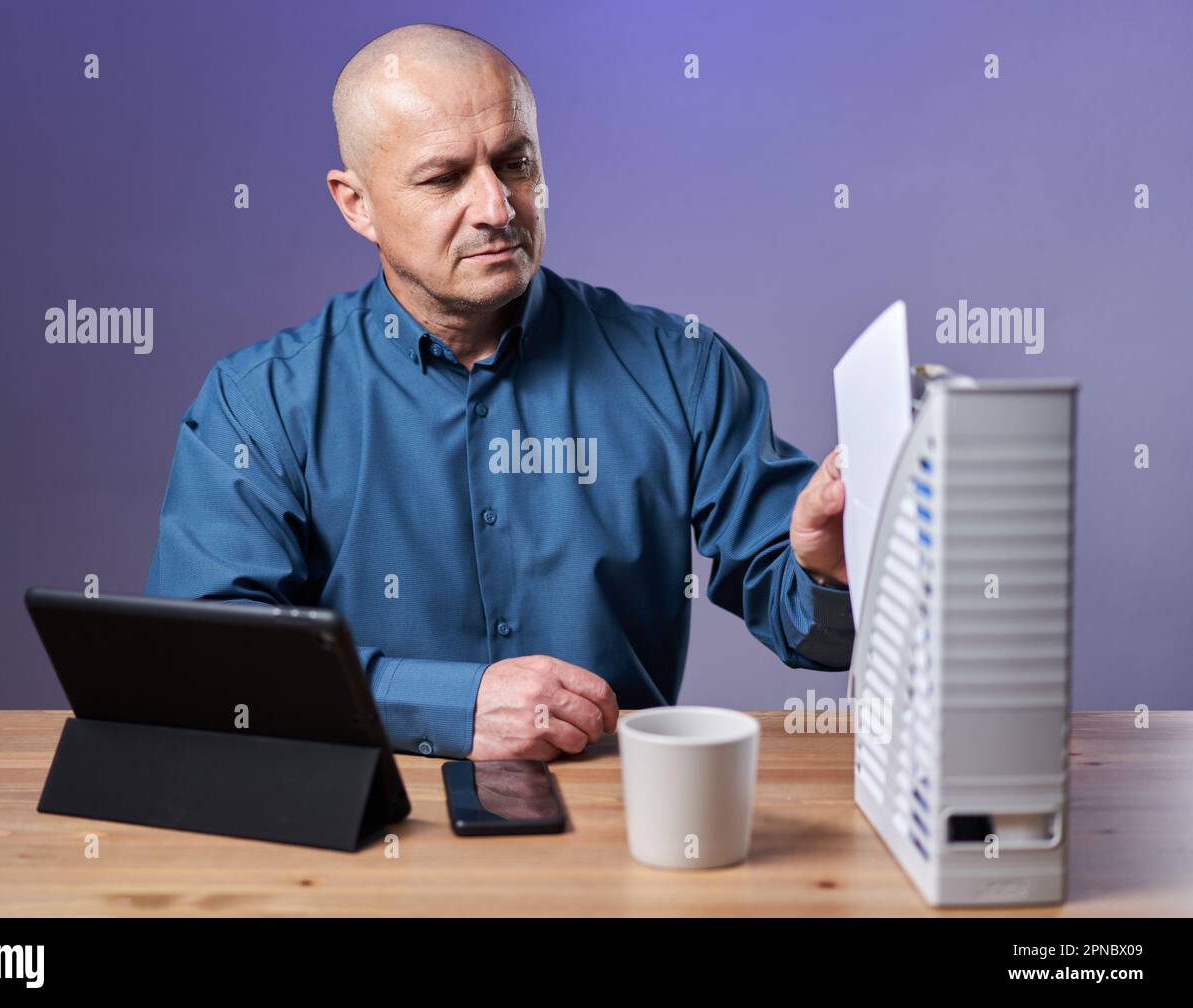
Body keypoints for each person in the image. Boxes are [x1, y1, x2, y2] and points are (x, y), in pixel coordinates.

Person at [146, 23, 853, 762]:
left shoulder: (684, 368)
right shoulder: (255, 403)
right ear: (356, 205)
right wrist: (447, 705)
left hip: (620, 832)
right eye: (444, 178)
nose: (497, 207)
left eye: (514, 162)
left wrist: (825, 569)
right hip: (358, 833)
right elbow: (210, 662)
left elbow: (813, 632)